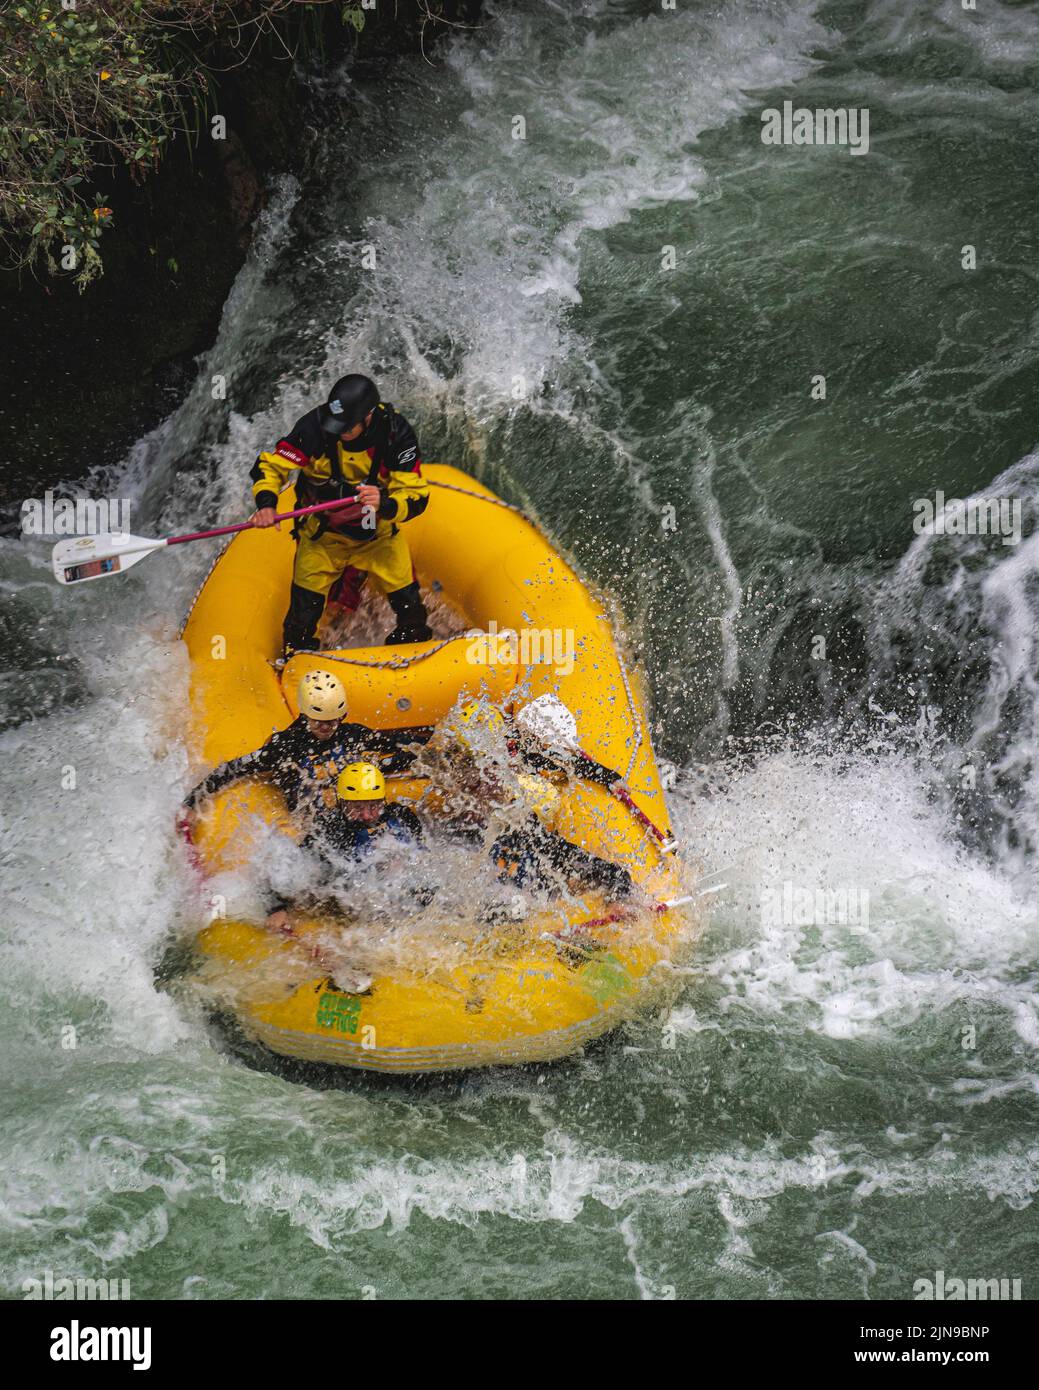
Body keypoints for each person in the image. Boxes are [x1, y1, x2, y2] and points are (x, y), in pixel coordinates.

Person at [248, 373, 433, 654]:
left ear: (368, 416)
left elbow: (416, 496)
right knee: (300, 623)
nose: (339, 432)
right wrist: (266, 503)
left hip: (378, 537)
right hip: (323, 538)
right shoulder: (316, 426)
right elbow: (270, 467)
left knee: (412, 614)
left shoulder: (396, 432)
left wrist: (385, 503)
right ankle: (299, 660)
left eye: (346, 428)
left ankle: (411, 657)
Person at [432, 700, 633, 899]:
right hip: (492, 842)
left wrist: (608, 777)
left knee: (536, 846)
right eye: (465, 761)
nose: (476, 777)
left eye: (483, 764)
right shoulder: (461, 798)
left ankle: (609, 885)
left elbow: (562, 762)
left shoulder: (515, 807)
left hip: (519, 835)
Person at [180, 670, 425, 827]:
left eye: (333, 720)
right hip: (314, 822)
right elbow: (234, 768)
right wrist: (191, 803)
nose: (327, 727)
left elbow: (401, 745)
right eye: (319, 721)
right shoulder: (286, 746)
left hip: (354, 811)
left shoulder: (352, 734)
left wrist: (425, 748)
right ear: (304, 714)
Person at [265, 762, 425, 932]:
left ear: (383, 801)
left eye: (373, 806)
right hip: (342, 900)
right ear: (342, 803)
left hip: (388, 897)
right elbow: (286, 870)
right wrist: (277, 908)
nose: (366, 815)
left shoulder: (402, 817)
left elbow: (423, 861)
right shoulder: (329, 829)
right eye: (357, 807)